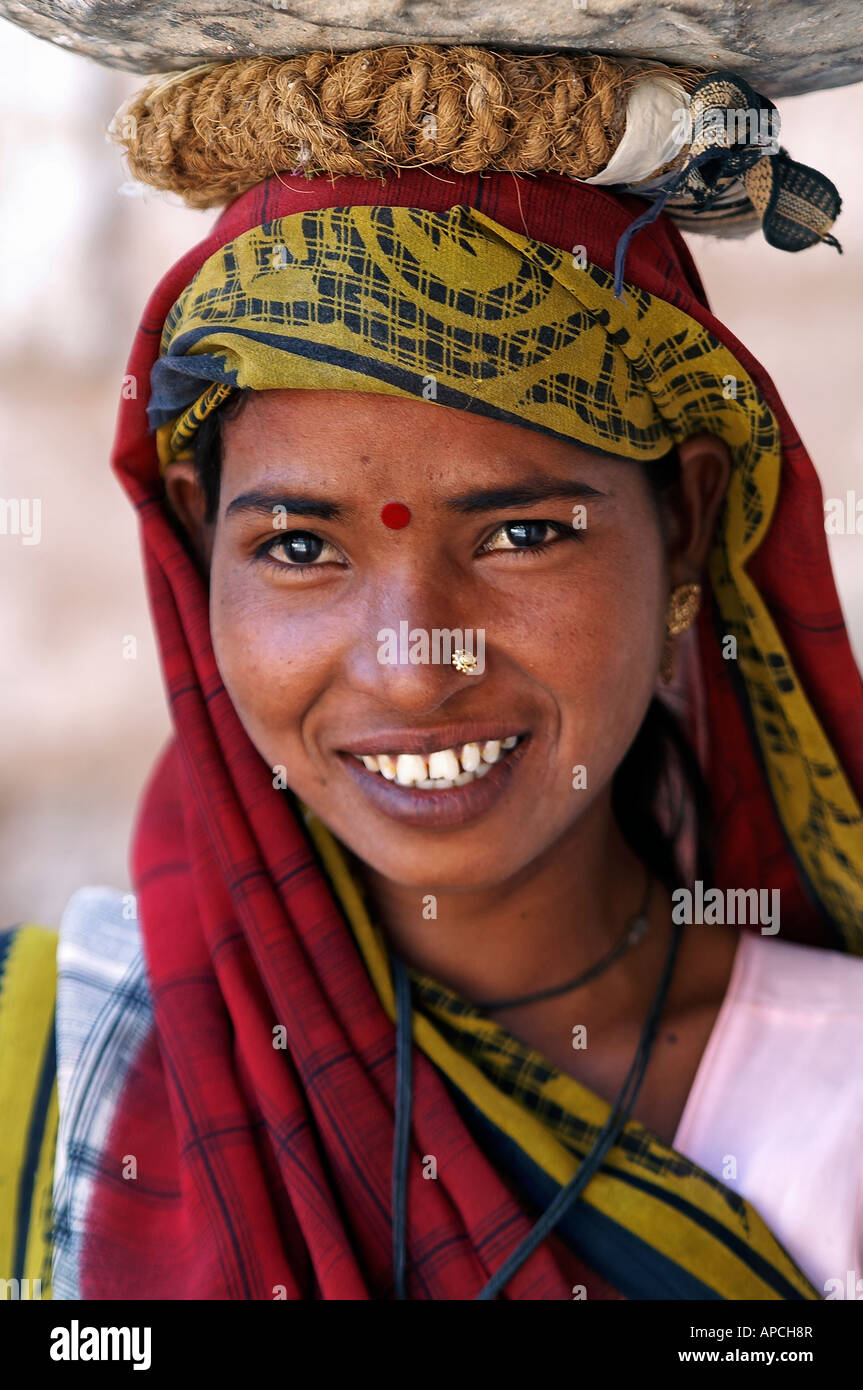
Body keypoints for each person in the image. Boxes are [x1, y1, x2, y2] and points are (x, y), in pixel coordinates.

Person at [3, 161, 862, 1302]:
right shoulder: (45, 1075)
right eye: (300, 548)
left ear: (687, 525)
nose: (413, 667)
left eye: (518, 535)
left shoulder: (838, 1099)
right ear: (201, 539)